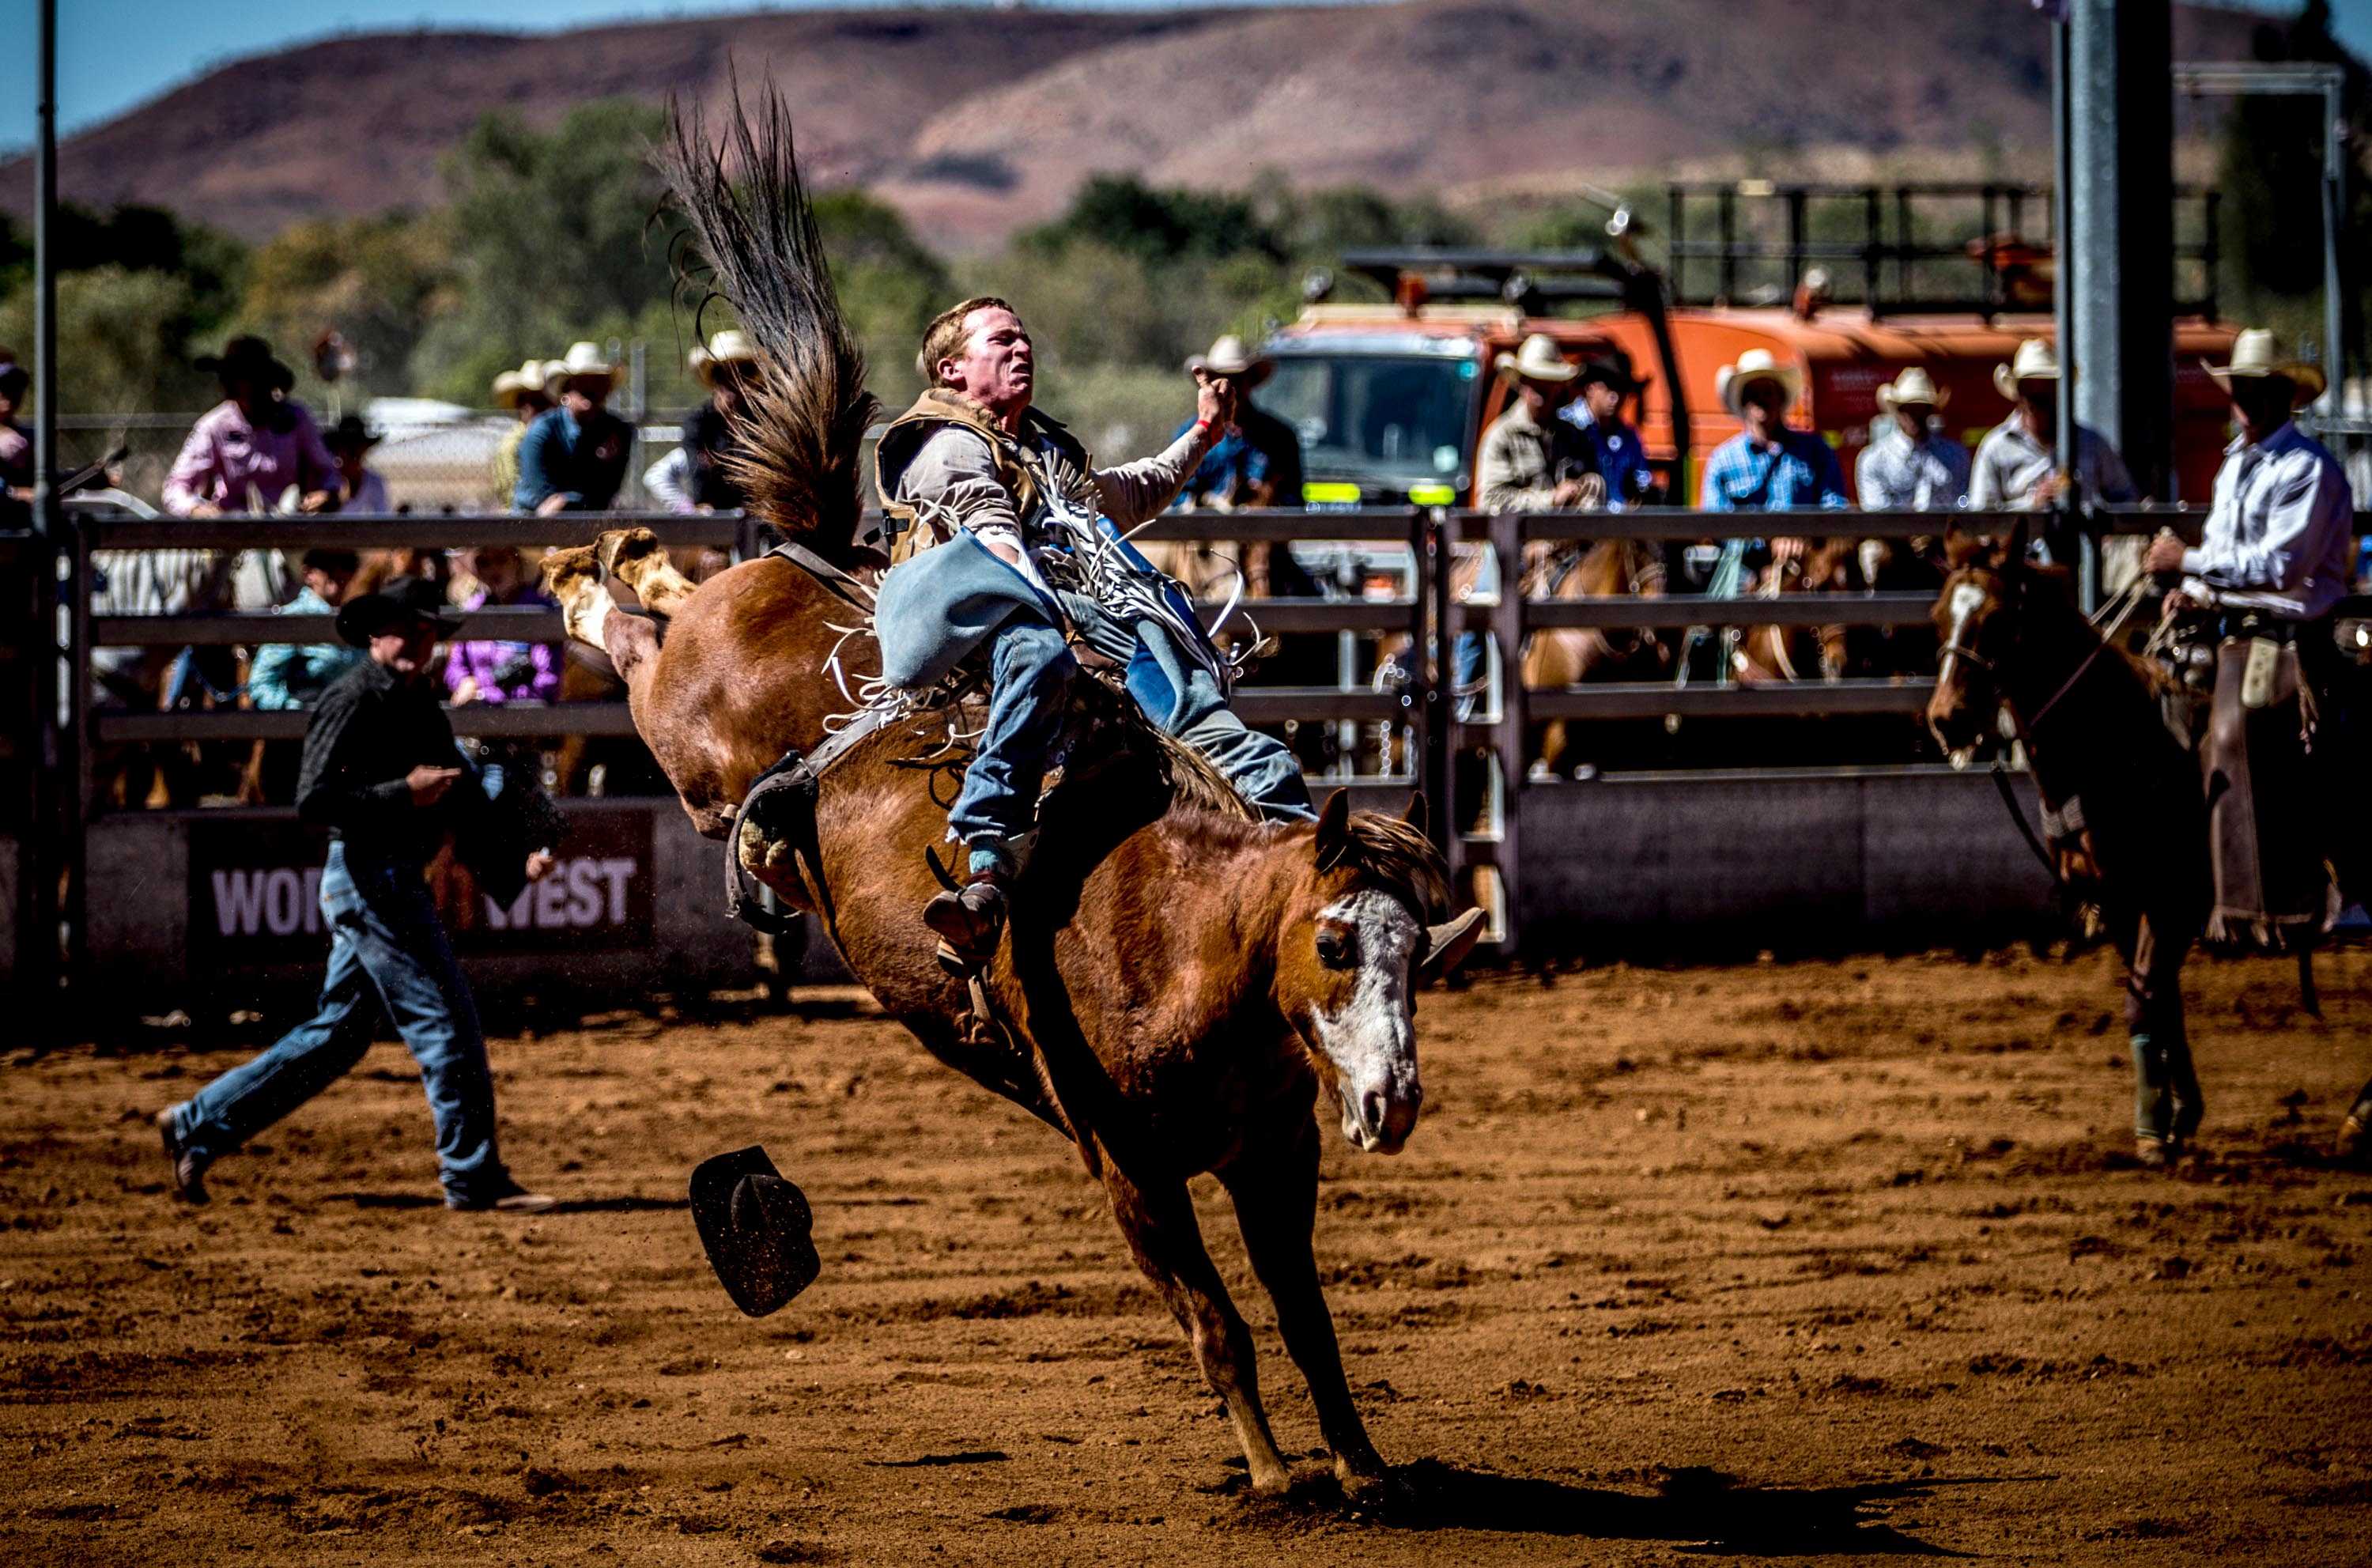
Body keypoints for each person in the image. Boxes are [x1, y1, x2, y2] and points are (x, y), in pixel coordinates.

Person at [871, 296, 1316, 969]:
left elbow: (1130, 492)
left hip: (1082, 609)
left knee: (1197, 694)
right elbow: (995, 540)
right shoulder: (948, 444)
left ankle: (1323, 877)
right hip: (983, 615)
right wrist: (1059, 612)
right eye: (1001, 341)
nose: (1022, 349)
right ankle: (988, 858)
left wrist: (1205, 431)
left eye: (1024, 338)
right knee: (1037, 651)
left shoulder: (1041, 449)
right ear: (952, 369)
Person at [155, 577, 561, 1212]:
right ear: (377, 634)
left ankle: (198, 1123)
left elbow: (455, 793)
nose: (421, 642)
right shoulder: (352, 698)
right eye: (410, 630)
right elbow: (313, 801)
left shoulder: (413, 701)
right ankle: (470, 1174)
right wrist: (404, 794)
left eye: (429, 631)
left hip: (377, 878)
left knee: (339, 1034)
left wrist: (514, 861)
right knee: (445, 1022)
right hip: (375, 878)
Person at [2145, 329, 2356, 950]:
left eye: (2255, 388)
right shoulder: (2237, 464)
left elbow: (2280, 567)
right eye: (2238, 388)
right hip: (2232, 631)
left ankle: (2264, 899)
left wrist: (2188, 564)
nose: (2242, 399)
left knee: (2234, 730)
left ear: (2284, 395)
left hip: (2291, 639)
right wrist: (2194, 590)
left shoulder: (2307, 469)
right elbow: (2226, 553)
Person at [1970, 338, 2135, 563]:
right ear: (2019, 393)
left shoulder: (2091, 442)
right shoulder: (1996, 447)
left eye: (2047, 389)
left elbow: (2125, 497)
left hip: (2085, 562)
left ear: (2059, 393)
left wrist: (2101, 520)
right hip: (2019, 565)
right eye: (2031, 390)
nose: (2039, 400)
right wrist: (2032, 504)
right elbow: (1981, 521)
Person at [162, 336, 342, 517]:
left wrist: (326, 494)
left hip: (291, 524)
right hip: (233, 527)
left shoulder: (296, 418)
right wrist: (195, 509)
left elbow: (328, 471)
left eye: (258, 379)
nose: (254, 388)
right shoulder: (214, 426)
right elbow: (176, 486)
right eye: (244, 380)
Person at [1477, 334, 1601, 513]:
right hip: (1521, 531)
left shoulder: (1574, 436)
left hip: (1569, 530)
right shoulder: (1502, 436)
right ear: (1521, 383)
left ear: (1558, 386)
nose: (1541, 387)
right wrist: (1550, 499)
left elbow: (1591, 489)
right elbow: (1490, 500)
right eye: (1534, 380)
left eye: (1549, 381)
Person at [513, 342, 632, 515]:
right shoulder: (542, 431)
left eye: (598, 381)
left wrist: (568, 499)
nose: (591, 389)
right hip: (532, 522)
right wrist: (576, 499)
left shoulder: (617, 432)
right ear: (567, 388)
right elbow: (542, 498)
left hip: (590, 519)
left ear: (606, 389)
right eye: (583, 382)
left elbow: (607, 493)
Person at [646, 330, 756, 514]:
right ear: (715, 380)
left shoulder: (761, 423)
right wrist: (691, 508)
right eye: (724, 376)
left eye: (741, 374)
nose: (733, 386)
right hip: (712, 518)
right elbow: (686, 470)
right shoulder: (700, 424)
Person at [444, 545, 561, 707]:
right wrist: (463, 683)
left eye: (501, 560)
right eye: (483, 563)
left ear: (517, 562)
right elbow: (454, 667)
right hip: (475, 711)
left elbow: (548, 680)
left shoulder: (540, 610)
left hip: (525, 715)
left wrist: (484, 694)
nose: (493, 569)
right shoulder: (471, 609)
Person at [248, 548, 364, 712]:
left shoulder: (355, 620)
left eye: (347, 564)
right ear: (308, 574)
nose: (338, 572)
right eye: (328, 566)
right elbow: (261, 684)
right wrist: (298, 711)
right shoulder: (292, 620)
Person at [1855, 366, 1969, 512]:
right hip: (1895, 528)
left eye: (1921, 408)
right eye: (1907, 409)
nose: (1914, 416)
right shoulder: (1874, 459)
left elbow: (1965, 504)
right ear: (1897, 410)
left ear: (1930, 411)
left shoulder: (1956, 455)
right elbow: (1876, 514)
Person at [1557, 353, 1656, 509]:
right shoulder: (1564, 427)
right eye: (1609, 387)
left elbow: (1643, 480)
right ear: (1590, 388)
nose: (1615, 397)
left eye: (1622, 389)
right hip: (1578, 519)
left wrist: (1638, 497)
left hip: (1620, 521)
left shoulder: (1628, 436)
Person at [490, 358, 556, 507]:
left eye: (544, 401)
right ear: (522, 405)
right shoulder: (512, 445)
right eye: (536, 401)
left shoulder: (553, 437)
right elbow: (512, 494)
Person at [327, 415, 392, 513]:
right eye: (347, 446)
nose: (352, 452)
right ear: (338, 449)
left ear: (364, 449)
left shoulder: (374, 482)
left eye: (357, 445)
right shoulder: (328, 481)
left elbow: (382, 514)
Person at [0, 353, 30, 531]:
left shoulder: (28, 437)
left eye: (16, 389)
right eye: (4, 388)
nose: (10, 397)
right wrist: (15, 494)